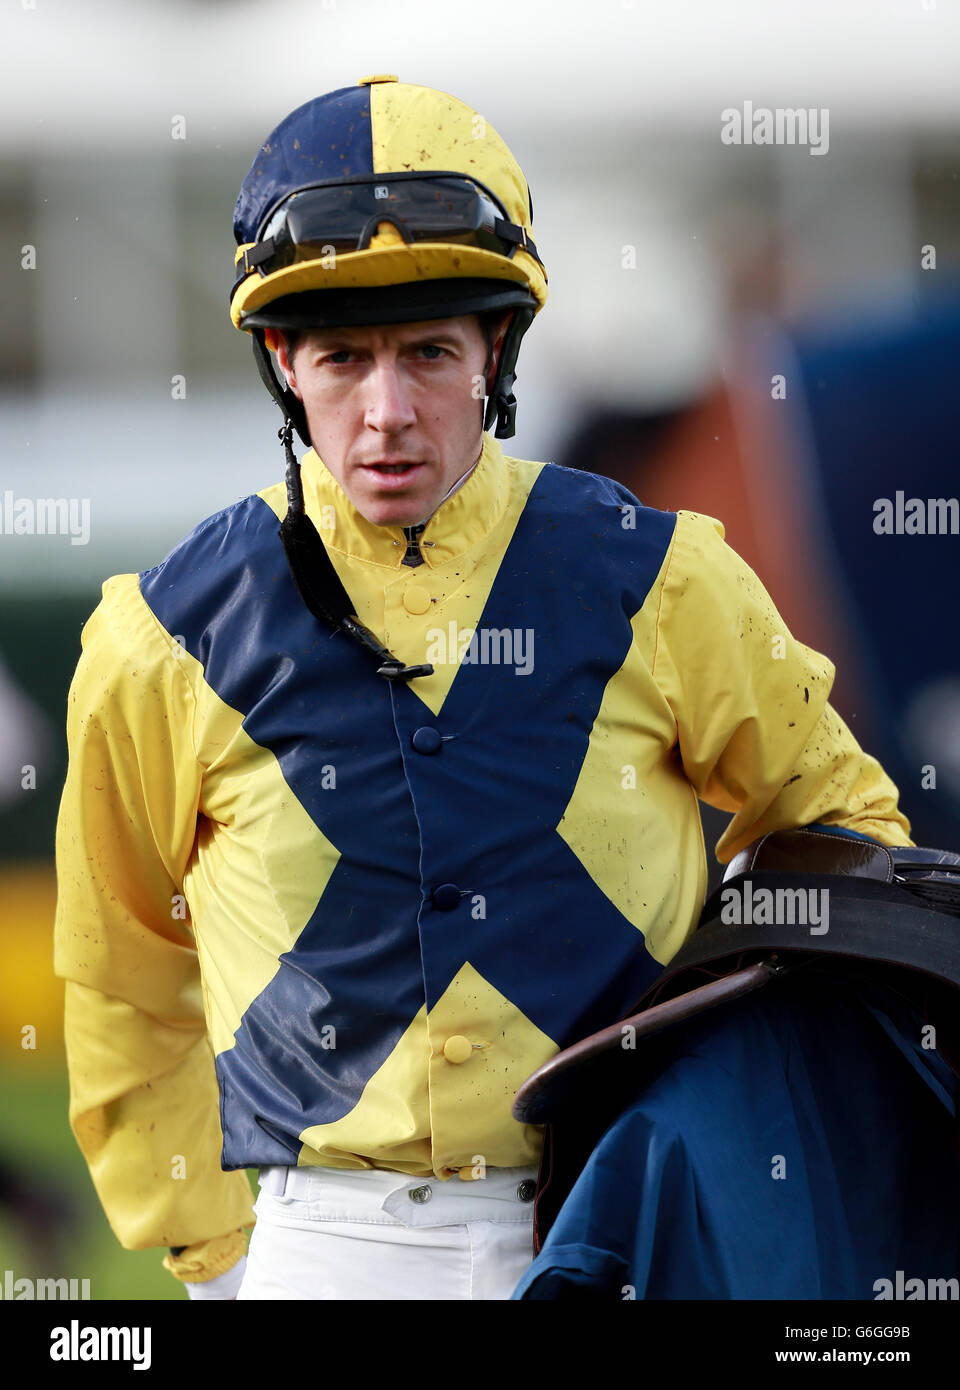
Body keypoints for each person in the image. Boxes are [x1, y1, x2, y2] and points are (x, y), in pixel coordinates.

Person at [53, 75, 914, 1302]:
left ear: (496, 351)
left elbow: (843, 844)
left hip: (627, 1229)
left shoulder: (665, 578)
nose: (387, 415)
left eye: (430, 355)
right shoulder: (160, 637)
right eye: (343, 358)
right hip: (317, 1252)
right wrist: (214, 1254)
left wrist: (723, 1121)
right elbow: (123, 961)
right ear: (282, 362)